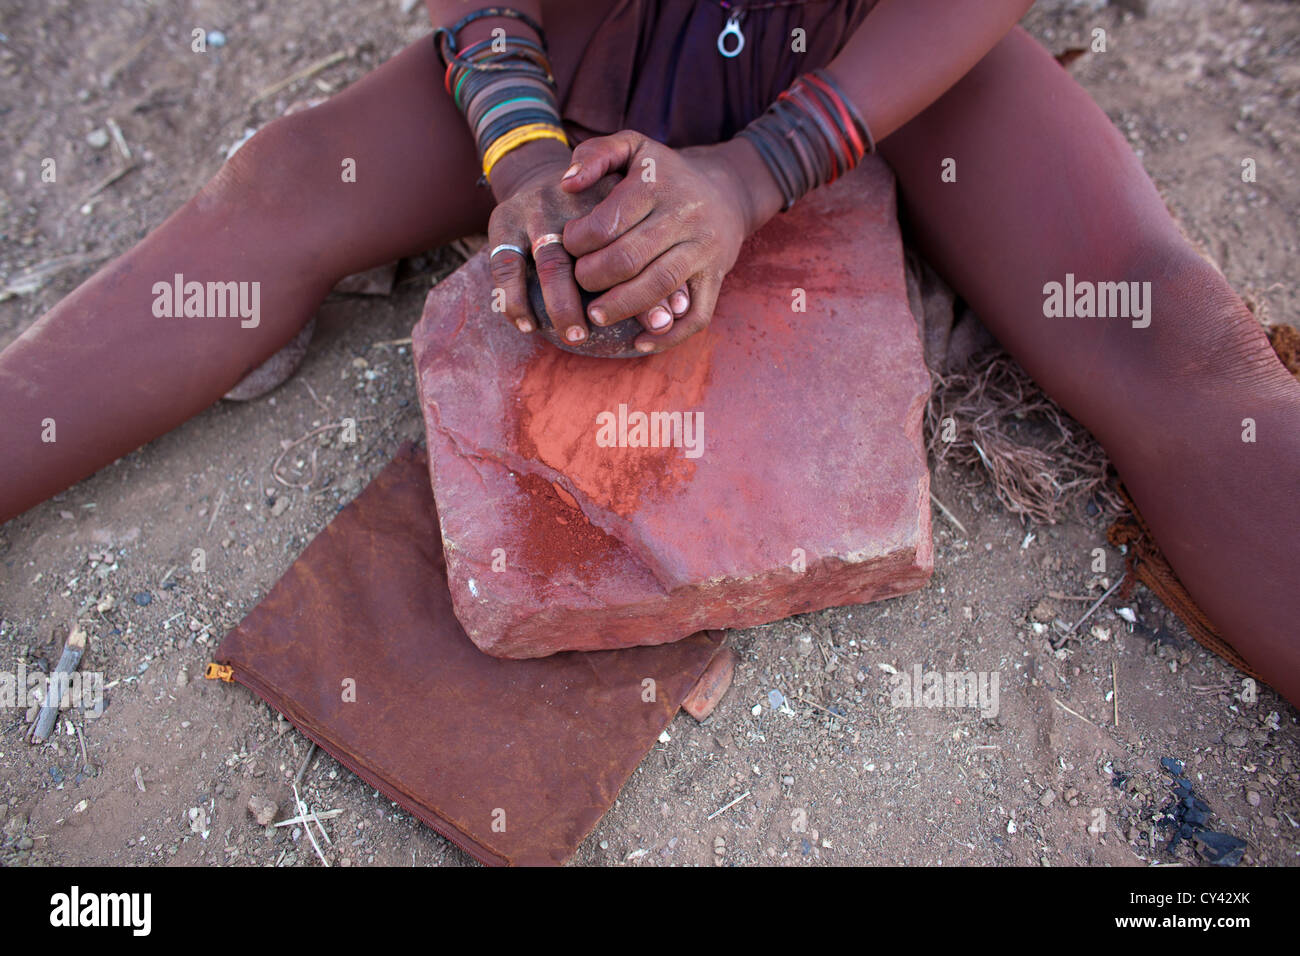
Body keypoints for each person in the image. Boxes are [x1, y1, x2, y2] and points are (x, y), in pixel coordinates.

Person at [2, 1, 1297, 705]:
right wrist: (520, 156)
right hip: (595, 28)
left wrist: (761, 170)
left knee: (1168, 327)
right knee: (283, 187)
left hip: (888, 41)